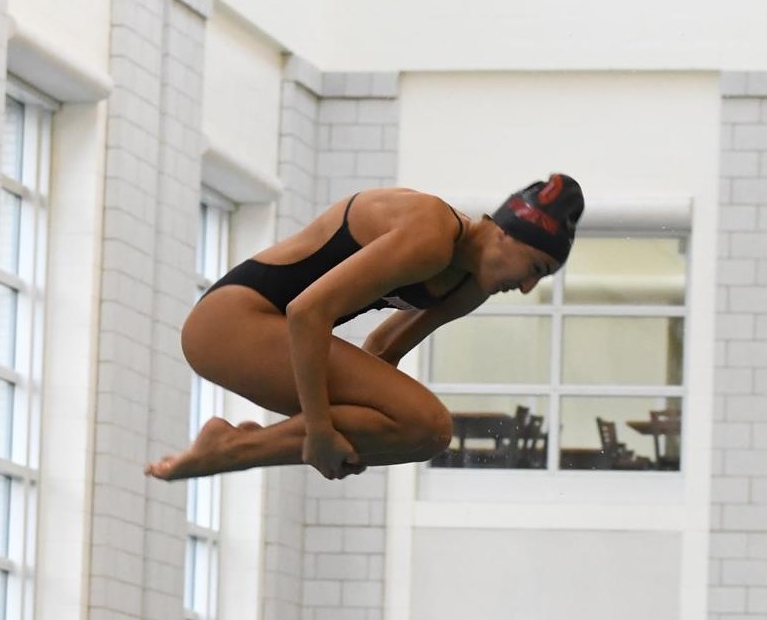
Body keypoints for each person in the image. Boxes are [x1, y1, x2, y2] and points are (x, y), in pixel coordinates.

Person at [147, 173, 584, 481]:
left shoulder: (470, 286)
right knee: (428, 422)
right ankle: (230, 451)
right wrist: (318, 433)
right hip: (230, 324)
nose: (528, 287)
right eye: (535, 268)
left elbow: (382, 353)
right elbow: (307, 313)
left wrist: (364, 436)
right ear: (505, 234)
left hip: (272, 331)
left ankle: (229, 446)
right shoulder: (431, 233)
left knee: (420, 435)